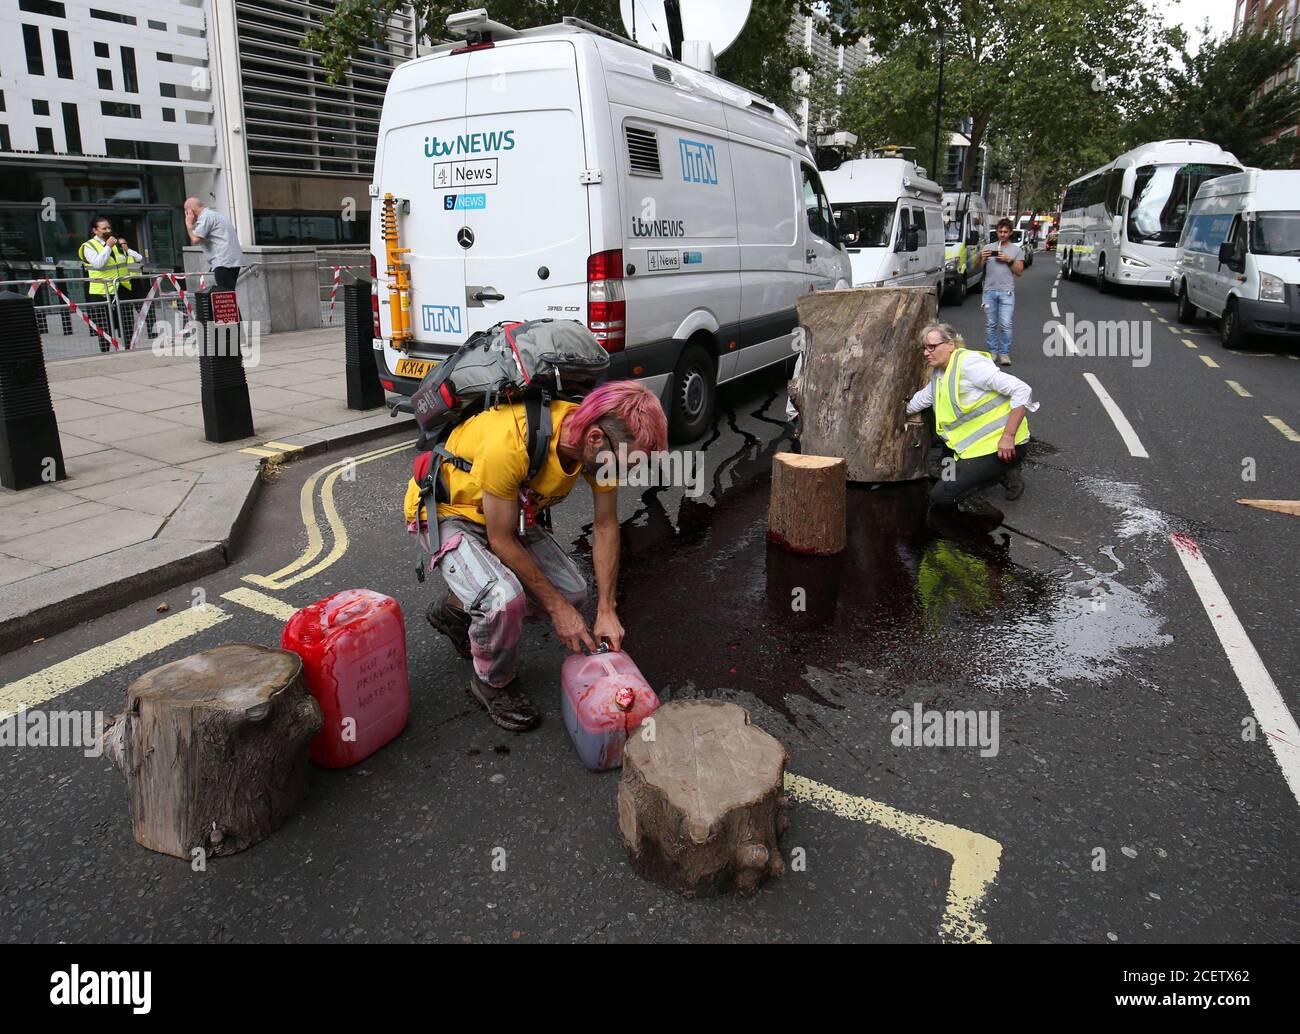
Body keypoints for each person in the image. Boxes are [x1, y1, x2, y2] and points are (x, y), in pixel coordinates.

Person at [404, 381, 669, 732]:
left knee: (573, 592)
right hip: (450, 513)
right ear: (594, 439)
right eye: (627, 464)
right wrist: (559, 612)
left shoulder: (601, 447)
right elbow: (501, 540)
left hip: (505, 512)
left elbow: (606, 526)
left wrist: (607, 608)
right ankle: (492, 682)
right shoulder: (510, 440)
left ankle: (456, 611)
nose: (627, 473)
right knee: (502, 600)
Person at [906, 322, 1038, 508]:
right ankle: (996, 472)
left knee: (941, 497)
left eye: (932, 347)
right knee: (946, 471)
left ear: (950, 345)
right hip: (965, 446)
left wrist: (1008, 436)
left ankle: (1002, 470)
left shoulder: (969, 365)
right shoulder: (940, 372)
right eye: (925, 348)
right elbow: (923, 398)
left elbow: (1022, 390)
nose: (926, 353)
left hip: (1003, 445)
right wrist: (898, 412)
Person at [78, 215, 143, 351]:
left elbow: (131, 259)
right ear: (95, 231)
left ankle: (128, 350)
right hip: (102, 291)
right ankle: (105, 352)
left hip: (122, 288)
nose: (108, 230)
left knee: (127, 323)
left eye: (109, 227)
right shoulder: (89, 246)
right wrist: (107, 247)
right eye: (104, 228)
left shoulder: (116, 245)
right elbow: (98, 264)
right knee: (105, 327)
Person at [971, 217, 1024, 366]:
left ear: (1010, 233)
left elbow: (1019, 272)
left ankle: (1004, 353)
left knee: (1006, 324)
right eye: (1000, 231)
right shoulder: (989, 247)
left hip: (1007, 292)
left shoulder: (1016, 249)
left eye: (1005, 232)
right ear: (997, 232)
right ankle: (992, 352)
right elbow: (976, 267)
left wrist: (1009, 260)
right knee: (990, 324)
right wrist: (981, 257)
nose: (1002, 234)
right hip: (989, 291)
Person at [183, 198, 243, 290]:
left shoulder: (206, 217)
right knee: (228, 295)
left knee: (225, 296)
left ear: (190, 211)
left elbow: (195, 239)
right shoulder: (216, 215)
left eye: (186, 212)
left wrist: (189, 225)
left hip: (223, 261)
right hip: (232, 261)